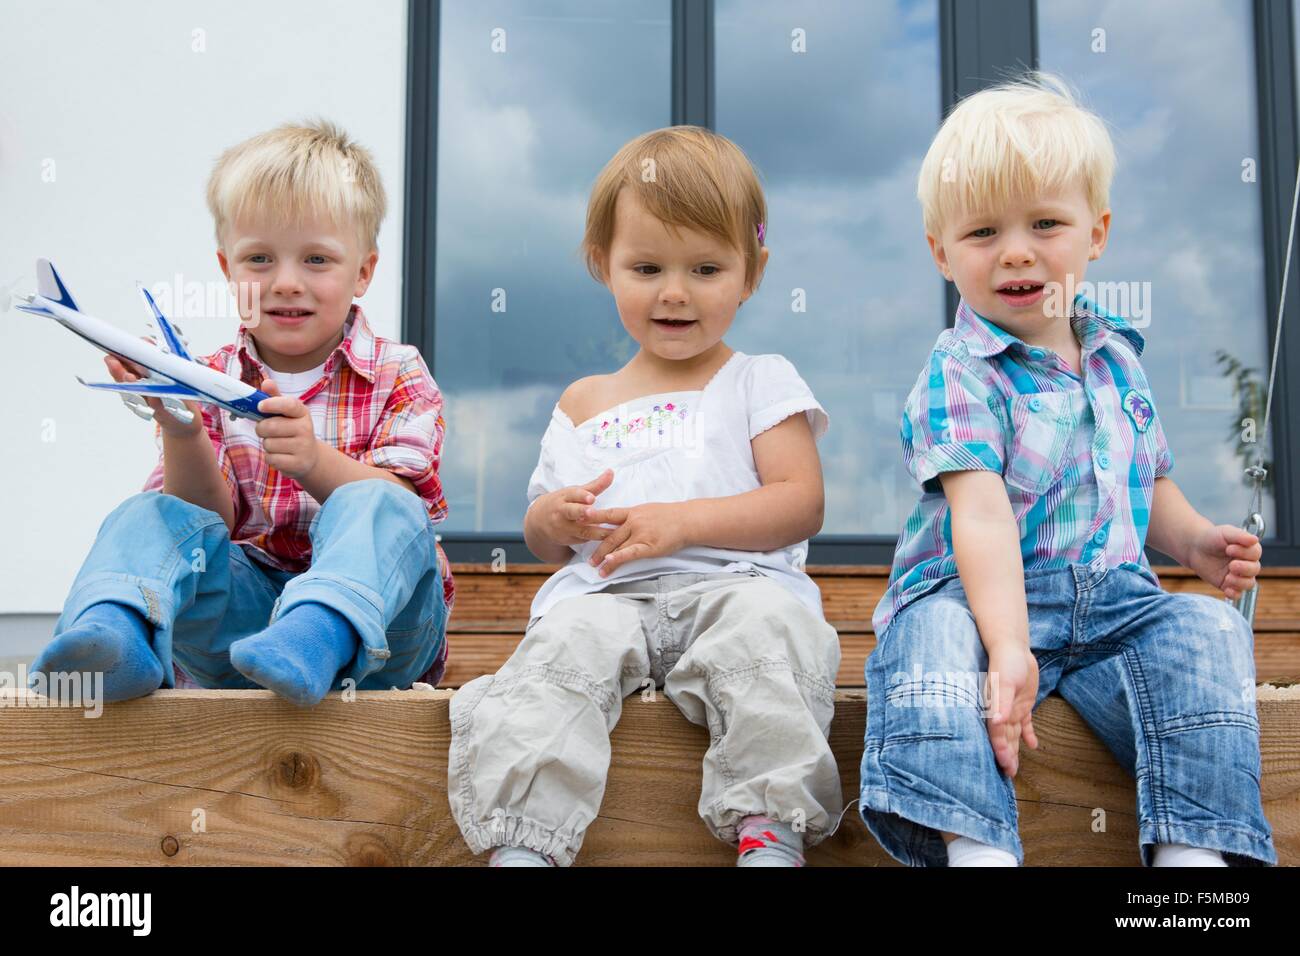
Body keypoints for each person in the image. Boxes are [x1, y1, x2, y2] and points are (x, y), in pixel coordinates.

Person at [447, 126, 842, 867]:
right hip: (606, 600)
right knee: (554, 662)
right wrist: (553, 517)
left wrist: (681, 524)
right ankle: (525, 846)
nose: (674, 292)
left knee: (770, 641)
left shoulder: (760, 380)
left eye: (705, 268)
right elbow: (543, 536)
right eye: (647, 266)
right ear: (604, 265)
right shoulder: (585, 400)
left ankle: (769, 830)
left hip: (736, 585)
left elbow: (800, 502)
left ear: (753, 272)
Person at [31, 119, 453, 707]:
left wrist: (313, 462)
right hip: (250, 633)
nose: (285, 282)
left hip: (385, 635)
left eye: (316, 260)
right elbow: (206, 525)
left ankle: (317, 633)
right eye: (259, 259)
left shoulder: (397, 371)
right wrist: (179, 429)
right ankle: (113, 637)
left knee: (380, 502)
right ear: (227, 269)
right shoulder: (208, 375)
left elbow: (408, 512)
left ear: (363, 273)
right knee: (149, 514)